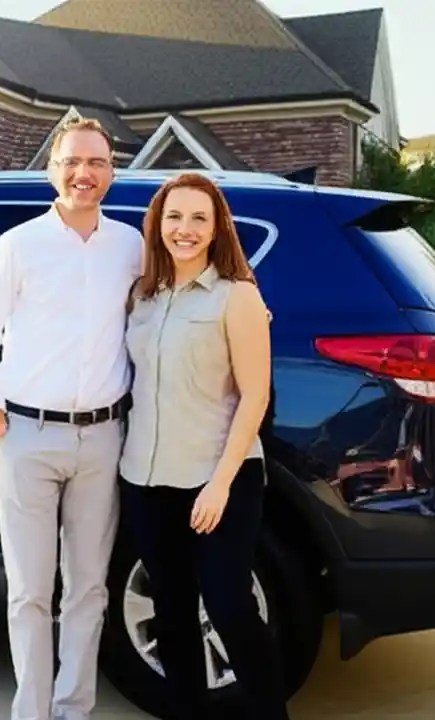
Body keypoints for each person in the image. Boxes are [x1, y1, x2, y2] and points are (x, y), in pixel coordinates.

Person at [0, 117, 144, 720]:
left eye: (95, 163)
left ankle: (73, 709)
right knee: (31, 592)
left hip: (102, 438)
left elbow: (174, 303)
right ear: (52, 170)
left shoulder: (131, 246)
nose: (82, 174)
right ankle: (32, 711)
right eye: (71, 162)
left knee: (89, 588)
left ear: (112, 173)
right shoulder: (19, 245)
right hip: (27, 436)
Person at [118, 172, 287, 719]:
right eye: (174, 217)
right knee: (170, 611)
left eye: (198, 219)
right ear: (157, 224)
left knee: (230, 606)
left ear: (217, 230)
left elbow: (255, 395)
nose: (184, 229)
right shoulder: (143, 296)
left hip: (218, 481)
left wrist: (220, 483)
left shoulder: (236, 297)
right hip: (146, 478)